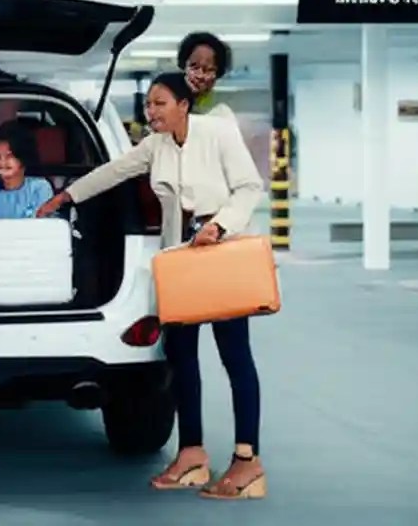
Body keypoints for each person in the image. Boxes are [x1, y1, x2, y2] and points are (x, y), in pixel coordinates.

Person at [36, 72, 268, 500]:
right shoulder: (155, 145)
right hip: (179, 262)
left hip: (221, 254)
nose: (152, 112)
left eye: (160, 104)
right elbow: (113, 171)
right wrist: (64, 198)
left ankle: (246, 461)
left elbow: (250, 188)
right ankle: (192, 454)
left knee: (235, 357)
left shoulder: (217, 132)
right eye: (149, 106)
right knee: (180, 358)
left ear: (184, 103)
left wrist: (218, 226)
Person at [0, 123, 53, 219]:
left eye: (9, 156)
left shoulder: (40, 187)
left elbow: (42, 225)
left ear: (24, 157)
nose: (3, 163)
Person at [177, 31, 235, 119]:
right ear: (184, 66)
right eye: (194, 67)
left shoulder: (221, 111)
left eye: (208, 70)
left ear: (218, 73)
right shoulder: (167, 101)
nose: (200, 76)